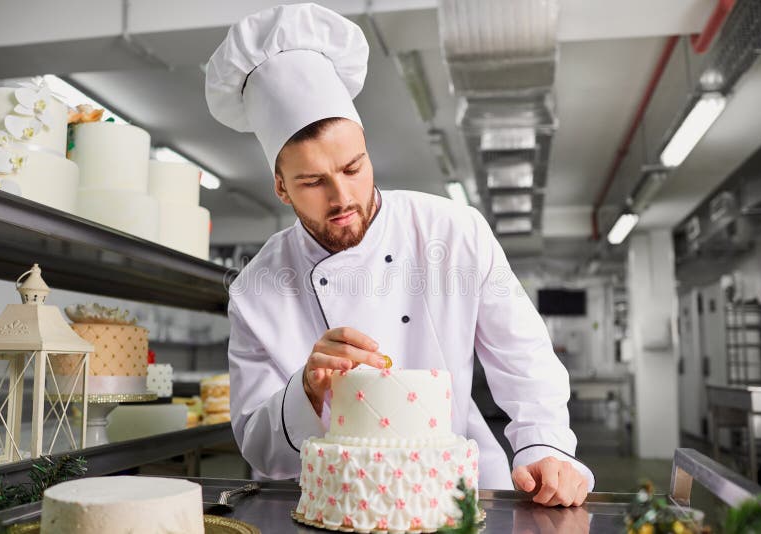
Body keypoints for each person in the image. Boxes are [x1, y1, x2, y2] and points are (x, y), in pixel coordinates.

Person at [206, 3, 595, 507]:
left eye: (353, 167)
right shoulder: (256, 289)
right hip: (343, 504)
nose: (342, 196)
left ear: (368, 150)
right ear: (281, 187)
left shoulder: (453, 231)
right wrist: (304, 391)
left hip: (464, 494)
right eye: (313, 181)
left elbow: (524, 358)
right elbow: (261, 450)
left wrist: (545, 447)